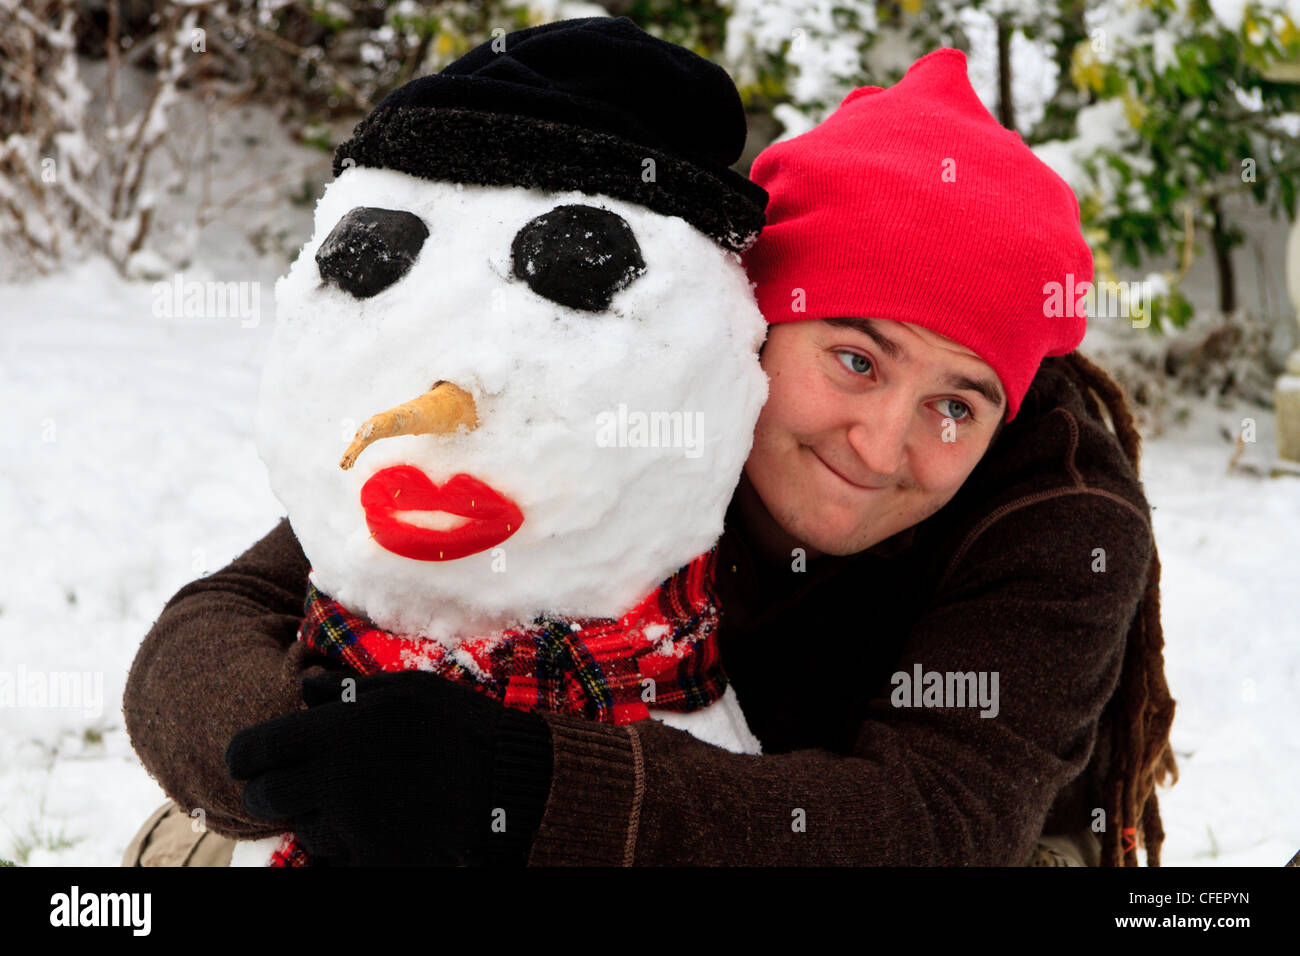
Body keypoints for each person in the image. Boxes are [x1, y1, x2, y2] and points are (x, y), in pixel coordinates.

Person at [122, 42, 1177, 868]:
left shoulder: (1059, 519)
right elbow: (222, 615)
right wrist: (325, 763)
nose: (884, 439)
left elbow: (932, 823)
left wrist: (518, 793)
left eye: (957, 403)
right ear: (752, 324)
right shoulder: (650, 390)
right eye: (856, 358)